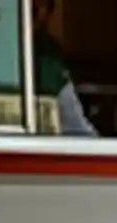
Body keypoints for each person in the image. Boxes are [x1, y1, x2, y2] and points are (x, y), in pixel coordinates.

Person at [32, 0, 99, 136]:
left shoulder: (49, 55)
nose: (41, 14)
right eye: (34, 9)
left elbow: (76, 127)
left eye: (47, 7)